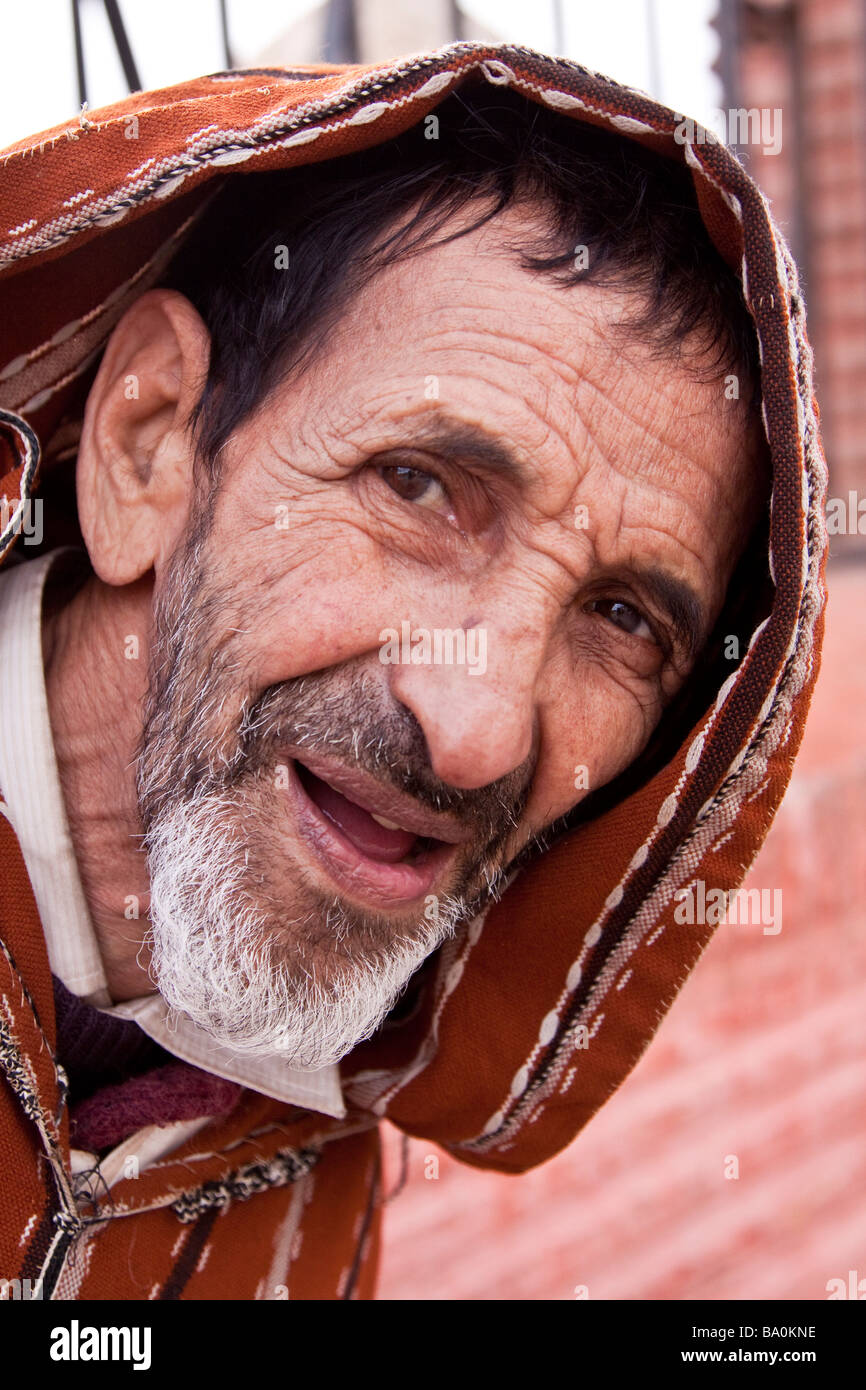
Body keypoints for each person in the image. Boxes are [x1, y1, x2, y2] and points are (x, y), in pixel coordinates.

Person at [0, 48, 826, 1300]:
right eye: (419, 486)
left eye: (619, 618)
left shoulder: (313, 1176)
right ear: (150, 441)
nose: (475, 731)